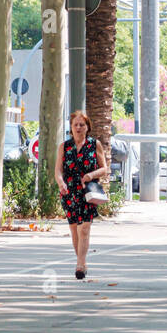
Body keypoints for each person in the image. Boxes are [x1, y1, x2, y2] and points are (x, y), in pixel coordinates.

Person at [54, 110, 109, 280]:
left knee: (84, 228)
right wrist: (61, 183)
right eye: (75, 125)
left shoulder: (95, 145)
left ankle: (79, 264)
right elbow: (58, 170)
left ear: (87, 127)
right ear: (71, 127)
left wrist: (91, 175)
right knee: (74, 230)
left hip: (87, 191)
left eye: (82, 125)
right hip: (69, 192)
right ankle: (82, 262)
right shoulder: (64, 147)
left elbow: (104, 168)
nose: (78, 128)